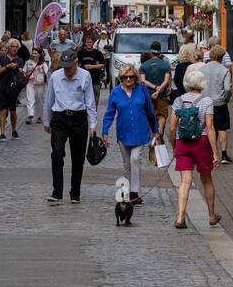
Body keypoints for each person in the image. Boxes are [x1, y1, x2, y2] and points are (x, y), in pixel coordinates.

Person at [169, 65, 220, 229]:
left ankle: (180, 217)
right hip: (201, 142)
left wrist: (174, 145)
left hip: (182, 142)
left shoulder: (178, 100)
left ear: (187, 83)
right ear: (202, 83)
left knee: (185, 181)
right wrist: (215, 152)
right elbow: (210, 127)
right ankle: (212, 216)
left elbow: (172, 127)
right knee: (206, 179)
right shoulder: (206, 101)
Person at [42, 50, 97, 204]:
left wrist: (93, 125)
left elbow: (90, 102)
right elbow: (49, 99)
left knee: (78, 157)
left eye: (70, 67)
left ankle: (75, 193)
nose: (67, 71)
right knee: (57, 153)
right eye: (65, 68)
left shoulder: (85, 76)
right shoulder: (55, 77)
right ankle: (57, 192)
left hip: (79, 118)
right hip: (60, 118)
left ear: (76, 62)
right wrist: (46, 121)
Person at [101, 64, 158, 206]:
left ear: (135, 77)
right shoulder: (115, 92)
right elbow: (109, 113)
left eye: (131, 76)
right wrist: (105, 131)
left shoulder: (142, 89)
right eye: (125, 77)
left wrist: (155, 129)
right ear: (121, 78)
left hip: (140, 132)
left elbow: (150, 111)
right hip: (124, 133)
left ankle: (135, 192)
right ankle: (127, 191)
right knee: (127, 165)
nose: (128, 79)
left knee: (135, 158)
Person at [204, 45, 233, 164]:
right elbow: (227, 88)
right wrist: (227, 98)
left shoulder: (202, 69)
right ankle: (224, 155)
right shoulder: (224, 70)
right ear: (221, 57)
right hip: (220, 102)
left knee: (209, 127)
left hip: (206, 102)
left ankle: (211, 153)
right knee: (222, 128)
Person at [0, 39, 26, 141]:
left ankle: (14, 130)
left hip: (14, 89)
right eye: (13, 46)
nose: (15, 49)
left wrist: (17, 69)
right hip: (2, 87)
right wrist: (7, 66)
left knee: (13, 111)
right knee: (2, 110)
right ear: (8, 47)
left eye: (16, 47)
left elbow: (21, 75)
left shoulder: (19, 60)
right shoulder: (2, 58)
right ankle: (2, 133)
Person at [139, 44, 172, 142]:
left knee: (150, 115)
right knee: (162, 115)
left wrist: (154, 88)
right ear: (160, 52)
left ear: (151, 52)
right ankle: (160, 128)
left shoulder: (144, 65)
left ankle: (153, 134)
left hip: (148, 96)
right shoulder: (165, 65)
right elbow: (166, 81)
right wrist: (159, 90)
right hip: (162, 96)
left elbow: (143, 80)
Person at [23, 47, 50, 125]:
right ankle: (30, 116)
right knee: (30, 99)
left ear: (39, 55)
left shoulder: (43, 63)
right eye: (33, 53)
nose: (34, 55)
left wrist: (41, 69)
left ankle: (40, 116)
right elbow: (24, 72)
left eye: (36, 53)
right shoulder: (28, 62)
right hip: (30, 83)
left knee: (40, 101)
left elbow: (47, 73)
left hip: (40, 84)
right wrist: (25, 78)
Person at [78, 35, 108, 102]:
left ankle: (94, 112)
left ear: (93, 43)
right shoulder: (80, 53)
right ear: (85, 43)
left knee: (95, 99)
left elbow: (103, 65)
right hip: (82, 81)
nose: (89, 44)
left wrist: (92, 66)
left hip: (95, 80)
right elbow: (77, 65)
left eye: (90, 42)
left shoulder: (98, 53)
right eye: (87, 42)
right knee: (82, 100)